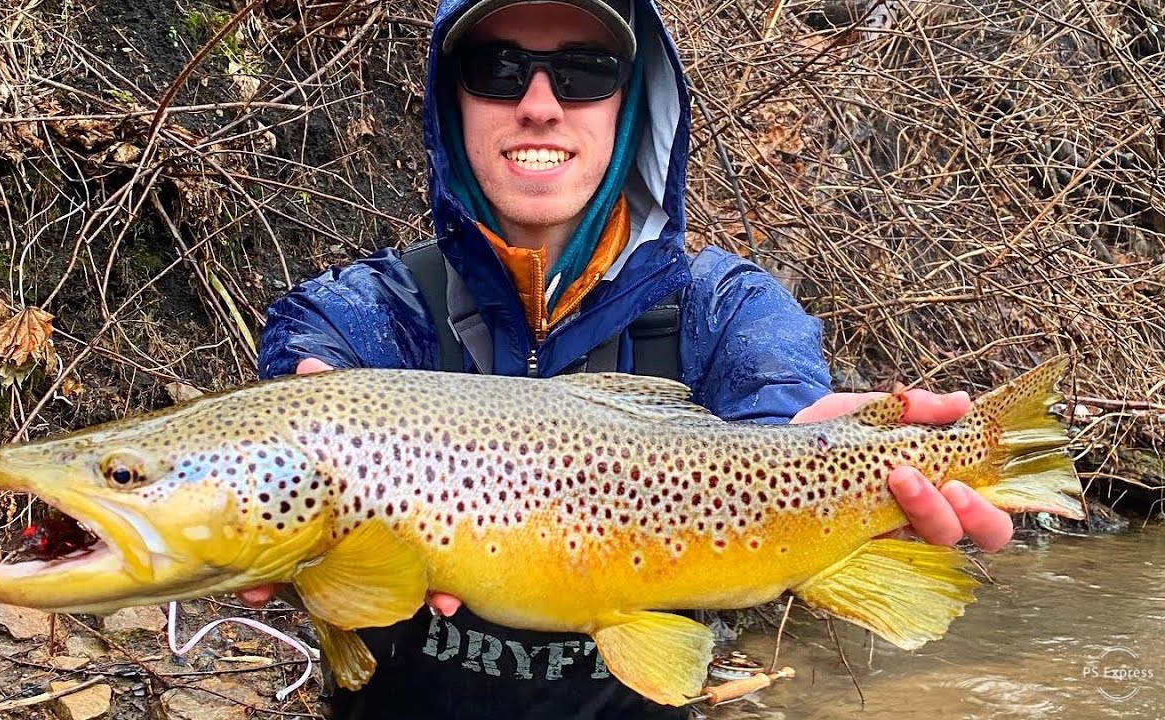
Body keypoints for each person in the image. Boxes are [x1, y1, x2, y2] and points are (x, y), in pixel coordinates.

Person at [246, 0, 1014, 716]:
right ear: (453, 105)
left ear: (632, 101)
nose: (539, 103)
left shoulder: (724, 309)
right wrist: (297, 429)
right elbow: (306, 366)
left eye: (584, 72)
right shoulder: (377, 307)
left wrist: (811, 453)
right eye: (497, 70)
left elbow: (776, 402)